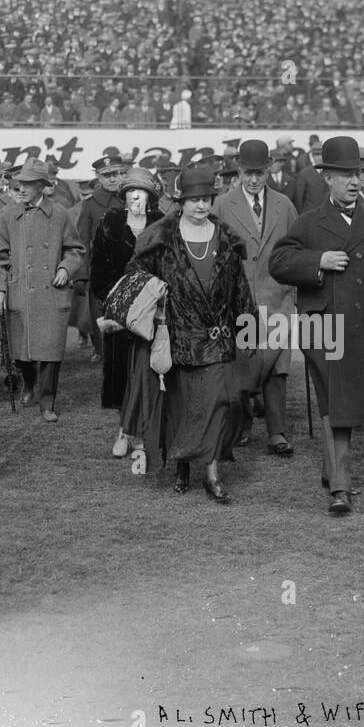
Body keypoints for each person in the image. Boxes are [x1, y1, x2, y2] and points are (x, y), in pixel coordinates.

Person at [270, 136, 364, 515]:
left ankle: (332, 473)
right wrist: (318, 261)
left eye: (359, 174)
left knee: (348, 405)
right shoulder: (310, 223)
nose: (355, 181)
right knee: (337, 403)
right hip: (323, 330)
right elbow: (279, 262)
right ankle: (341, 487)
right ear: (328, 179)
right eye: (346, 175)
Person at [125, 168, 255, 503]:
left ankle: (212, 474)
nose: (201, 205)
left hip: (216, 338)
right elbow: (136, 277)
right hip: (177, 337)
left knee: (218, 403)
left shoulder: (225, 238)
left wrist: (247, 326)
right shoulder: (161, 238)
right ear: (181, 202)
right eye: (194, 200)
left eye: (206, 199)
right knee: (182, 407)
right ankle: (183, 465)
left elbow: (240, 287)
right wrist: (152, 294)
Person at [211, 139, 297, 456]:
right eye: (248, 172)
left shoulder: (285, 205)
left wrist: (293, 296)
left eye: (259, 173)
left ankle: (277, 432)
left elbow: (294, 251)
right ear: (239, 170)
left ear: (269, 170)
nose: (253, 180)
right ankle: (242, 426)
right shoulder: (222, 205)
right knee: (241, 364)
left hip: (277, 297)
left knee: (277, 367)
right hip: (237, 299)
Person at [0, 159, 86, 422]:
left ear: (43, 186)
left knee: (51, 351)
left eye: (28, 184)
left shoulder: (61, 214)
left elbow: (75, 249)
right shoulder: (9, 216)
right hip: (19, 292)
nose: (21, 188)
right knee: (21, 352)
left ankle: (47, 402)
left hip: (52, 293)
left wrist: (66, 268)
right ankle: (28, 383)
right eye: (19, 183)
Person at [90, 166, 165, 456]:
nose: (136, 197)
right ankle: (124, 431)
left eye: (142, 192)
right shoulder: (110, 223)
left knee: (149, 373)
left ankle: (144, 432)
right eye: (131, 191)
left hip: (154, 311)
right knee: (122, 372)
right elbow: (98, 270)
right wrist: (114, 300)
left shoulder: (162, 224)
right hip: (119, 312)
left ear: (150, 197)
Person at [70, 154, 127, 362]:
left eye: (117, 174)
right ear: (99, 178)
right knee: (101, 313)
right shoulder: (90, 205)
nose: (113, 179)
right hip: (101, 269)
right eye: (107, 175)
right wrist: (81, 276)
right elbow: (81, 243)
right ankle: (103, 351)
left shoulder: (131, 198)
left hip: (129, 268)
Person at [289, 136, 328, 213]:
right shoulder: (305, 173)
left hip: (327, 213)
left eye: (321, 155)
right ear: (313, 156)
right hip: (310, 213)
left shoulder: (331, 172)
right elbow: (299, 197)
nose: (320, 158)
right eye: (317, 155)